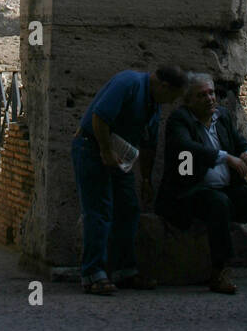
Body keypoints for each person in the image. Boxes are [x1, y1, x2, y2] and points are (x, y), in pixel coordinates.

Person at [155, 73, 247, 295]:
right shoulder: (180, 120)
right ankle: (220, 271)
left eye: (211, 93)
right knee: (218, 202)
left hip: (228, 190)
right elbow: (185, 148)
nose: (209, 98)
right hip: (189, 193)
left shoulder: (222, 117)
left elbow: (242, 144)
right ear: (189, 101)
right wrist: (225, 157)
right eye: (202, 95)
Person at [71, 65, 188, 294]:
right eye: (172, 96)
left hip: (119, 154)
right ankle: (93, 273)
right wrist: (105, 151)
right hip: (92, 148)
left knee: (128, 209)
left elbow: (148, 144)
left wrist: (145, 179)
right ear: (164, 87)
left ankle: (125, 270)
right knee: (99, 210)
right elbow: (100, 116)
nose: (171, 102)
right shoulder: (129, 83)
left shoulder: (153, 104)